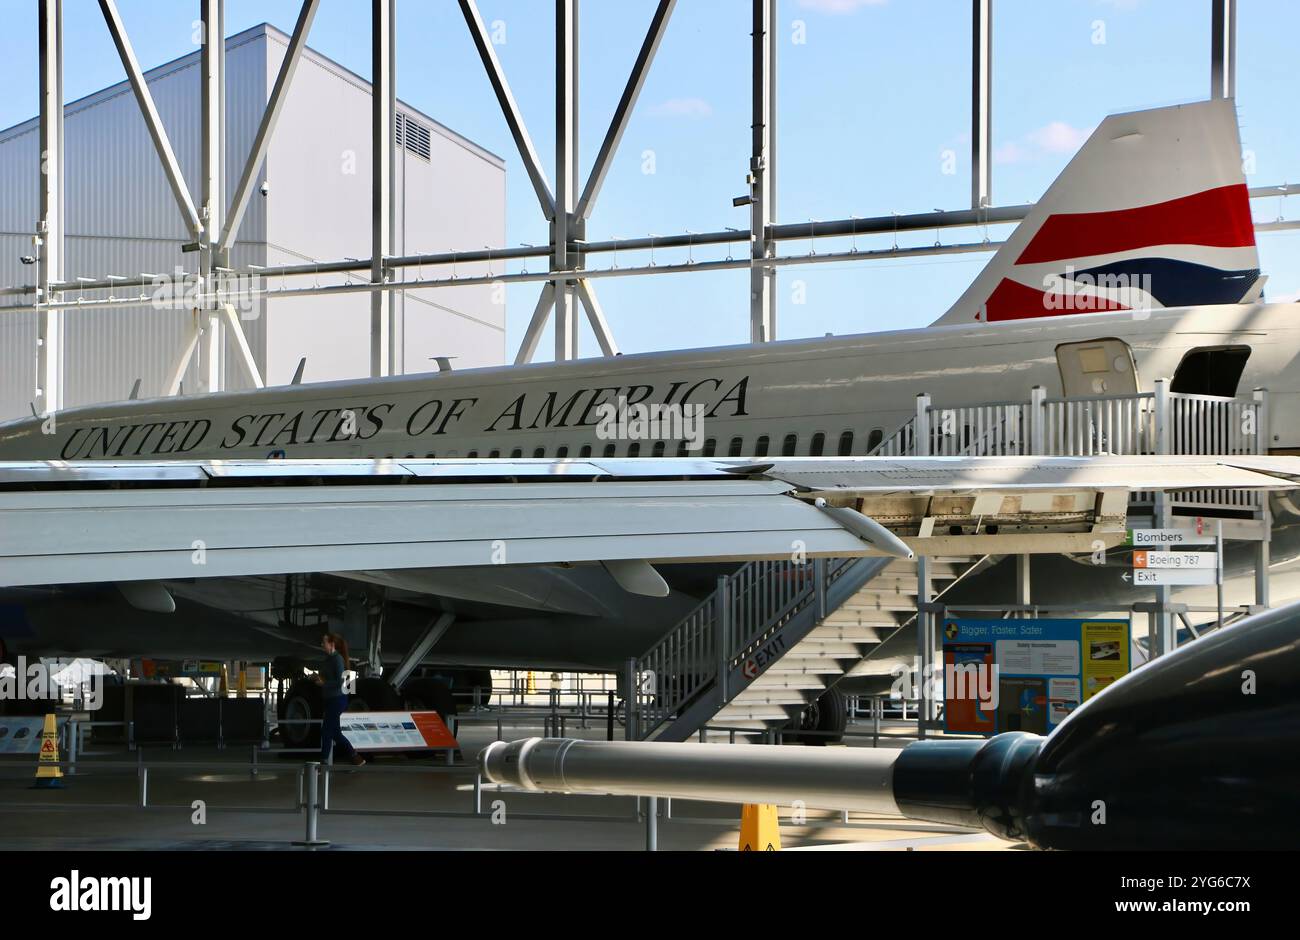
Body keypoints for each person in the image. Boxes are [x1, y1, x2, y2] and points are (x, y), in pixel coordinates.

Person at [316, 633, 365, 766]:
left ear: (331, 644)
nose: (321, 644)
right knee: (336, 733)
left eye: (323, 642)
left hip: (337, 700)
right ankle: (356, 758)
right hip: (330, 699)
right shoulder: (328, 659)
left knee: (326, 730)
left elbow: (340, 682)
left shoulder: (337, 659)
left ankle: (324, 763)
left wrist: (324, 684)